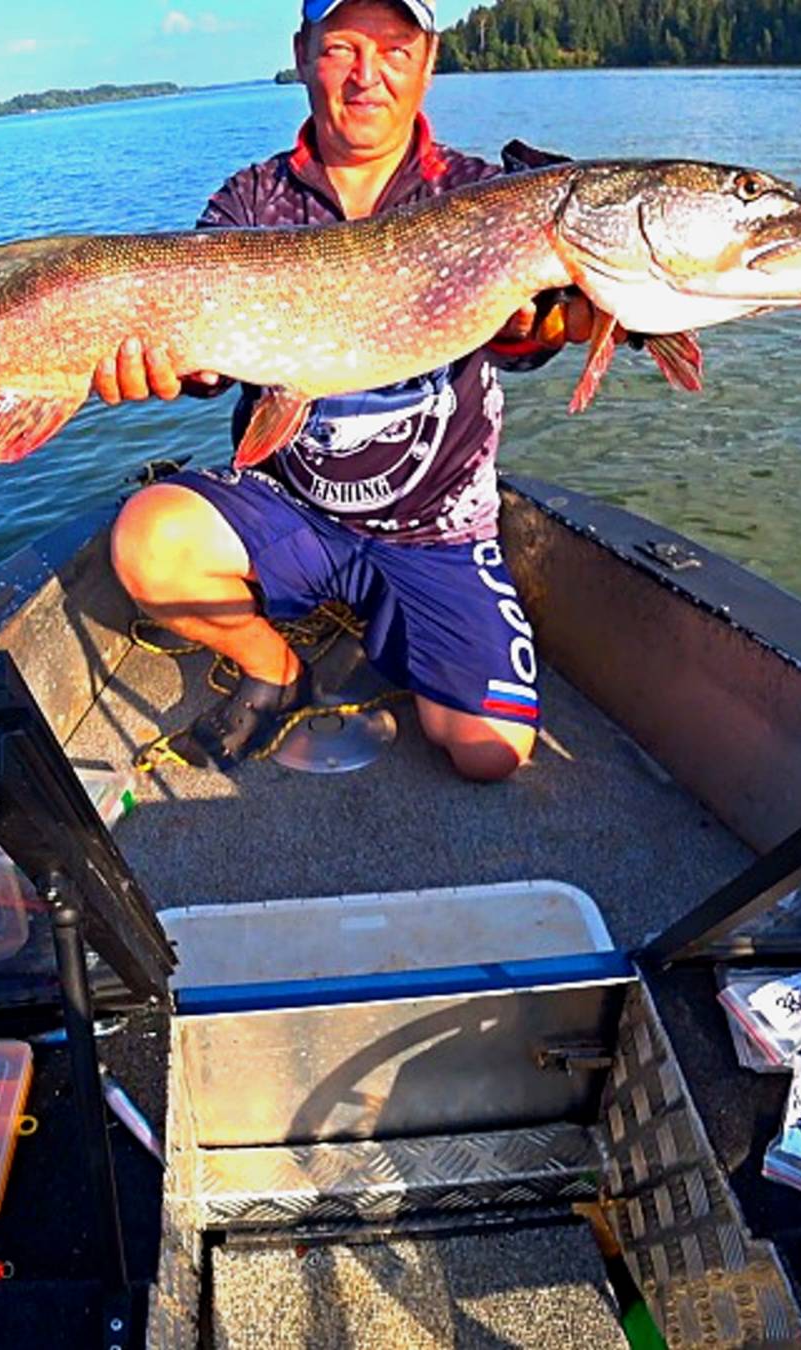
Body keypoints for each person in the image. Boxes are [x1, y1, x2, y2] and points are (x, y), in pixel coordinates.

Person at [104, 0, 596, 782]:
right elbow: (204, 361)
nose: (369, 76)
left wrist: (550, 325)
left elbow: (521, 337)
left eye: (395, 50)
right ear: (303, 53)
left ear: (428, 61)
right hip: (291, 510)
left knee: (489, 753)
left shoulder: (482, 194)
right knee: (148, 541)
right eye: (342, 48)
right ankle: (274, 665)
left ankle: (405, 621)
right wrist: (172, 369)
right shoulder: (249, 203)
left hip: (436, 532)